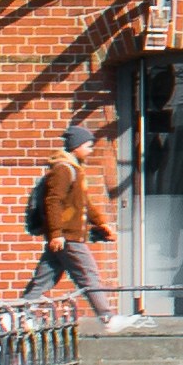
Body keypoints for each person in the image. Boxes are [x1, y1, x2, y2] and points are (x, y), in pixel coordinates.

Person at [16, 119, 112, 319]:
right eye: (88, 146)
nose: (91, 150)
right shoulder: (63, 169)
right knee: (89, 275)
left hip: (65, 237)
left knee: (43, 280)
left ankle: (18, 315)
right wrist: (57, 233)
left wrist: (101, 223)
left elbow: (85, 203)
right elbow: (53, 202)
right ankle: (107, 317)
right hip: (68, 237)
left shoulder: (75, 169)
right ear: (77, 146)